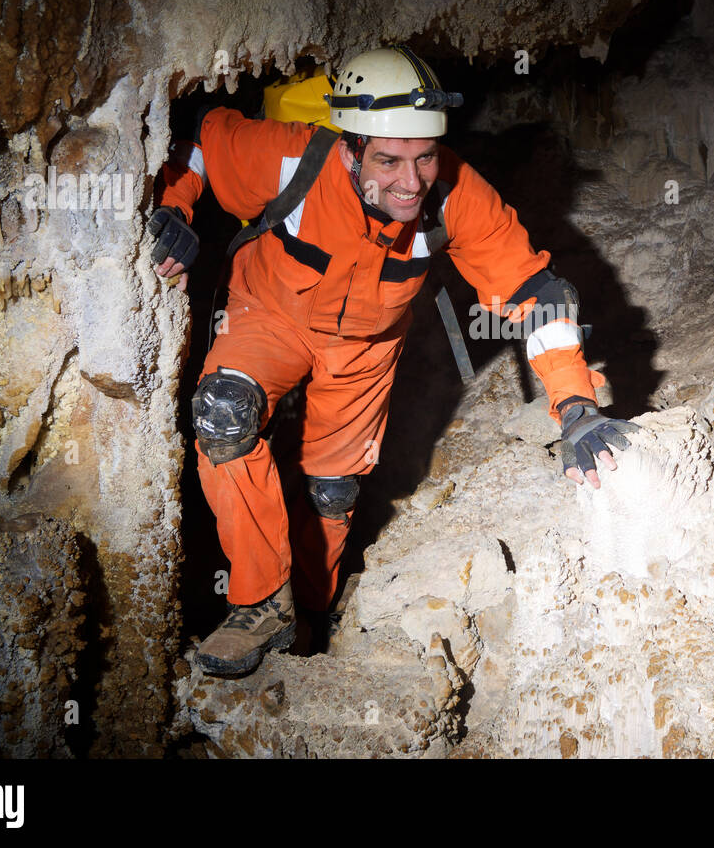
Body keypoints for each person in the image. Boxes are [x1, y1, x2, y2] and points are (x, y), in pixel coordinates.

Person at [149, 45, 638, 677]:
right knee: (224, 414)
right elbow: (204, 142)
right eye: (388, 160)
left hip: (364, 350)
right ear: (350, 149)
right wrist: (173, 206)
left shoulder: (453, 194)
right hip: (268, 317)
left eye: (425, 156)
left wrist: (575, 407)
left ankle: (308, 620)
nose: (410, 182)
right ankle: (258, 603)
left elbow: (533, 291)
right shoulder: (293, 159)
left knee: (333, 491)